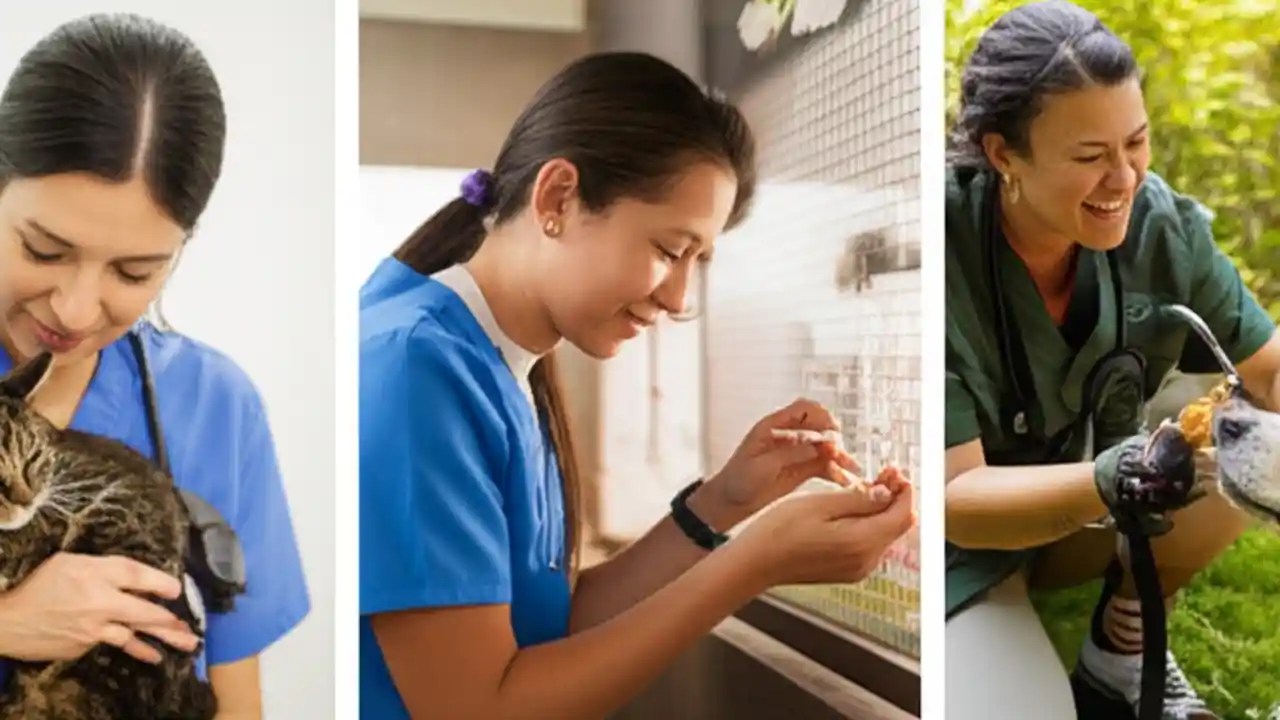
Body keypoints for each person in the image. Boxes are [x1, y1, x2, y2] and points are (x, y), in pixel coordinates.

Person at [359, 51, 917, 719]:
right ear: (558, 198)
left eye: (698, 261)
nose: (680, 298)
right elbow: (481, 706)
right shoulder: (416, 367)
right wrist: (756, 562)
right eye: (668, 251)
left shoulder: (497, 360)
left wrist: (723, 504)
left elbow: (553, 621)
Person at [943, 2, 1280, 718]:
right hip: (958, 549)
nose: (1124, 178)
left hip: (1082, 522)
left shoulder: (1157, 225)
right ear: (1003, 154)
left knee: (1249, 432)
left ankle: (1119, 650)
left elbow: (1269, 372)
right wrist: (1113, 475)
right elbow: (956, 505)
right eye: (1091, 156)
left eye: (1136, 143)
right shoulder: (940, 254)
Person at [0, 13, 310, 715]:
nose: (76, 311)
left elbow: (234, 702)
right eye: (44, 251)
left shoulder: (212, 404)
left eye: (134, 272)